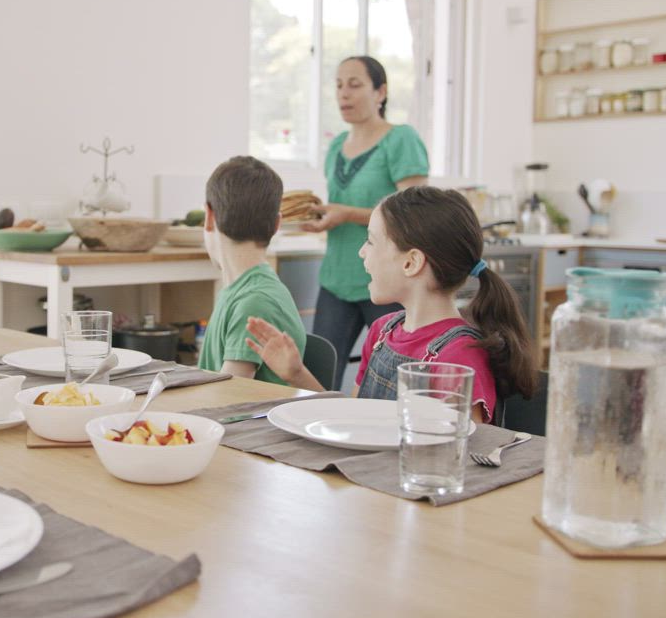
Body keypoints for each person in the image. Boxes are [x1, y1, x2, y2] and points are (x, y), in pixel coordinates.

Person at [247, 186, 537, 423]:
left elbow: (456, 458)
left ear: (411, 262)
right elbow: (354, 421)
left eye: (370, 242)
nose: (362, 253)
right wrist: (297, 373)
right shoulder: (382, 331)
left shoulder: (459, 358)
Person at [305, 55, 429, 386]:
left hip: (388, 281)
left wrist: (346, 213)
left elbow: (416, 211)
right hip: (336, 278)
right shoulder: (334, 147)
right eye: (339, 85)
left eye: (355, 85)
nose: (344, 94)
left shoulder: (401, 139)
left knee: (388, 381)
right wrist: (324, 215)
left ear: (381, 92)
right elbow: (341, 205)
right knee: (317, 377)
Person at [197, 156, 306, 386]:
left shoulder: (253, 303)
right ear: (277, 224)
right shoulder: (244, 291)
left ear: (209, 216)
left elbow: (227, 399)